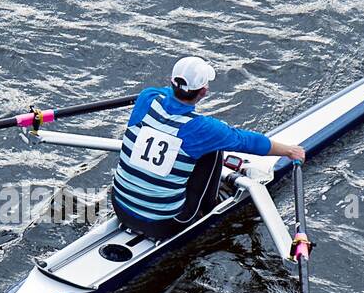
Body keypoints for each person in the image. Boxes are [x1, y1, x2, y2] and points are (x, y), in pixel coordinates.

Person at [111, 56, 306, 240]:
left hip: (119, 206)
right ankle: (210, 206)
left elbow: (168, 94)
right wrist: (290, 151)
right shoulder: (203, 129)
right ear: (203, 92)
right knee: (214, 149)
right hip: (164, 224)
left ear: (171, 82)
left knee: (191, 148)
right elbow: (247, 141)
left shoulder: (146, 98)